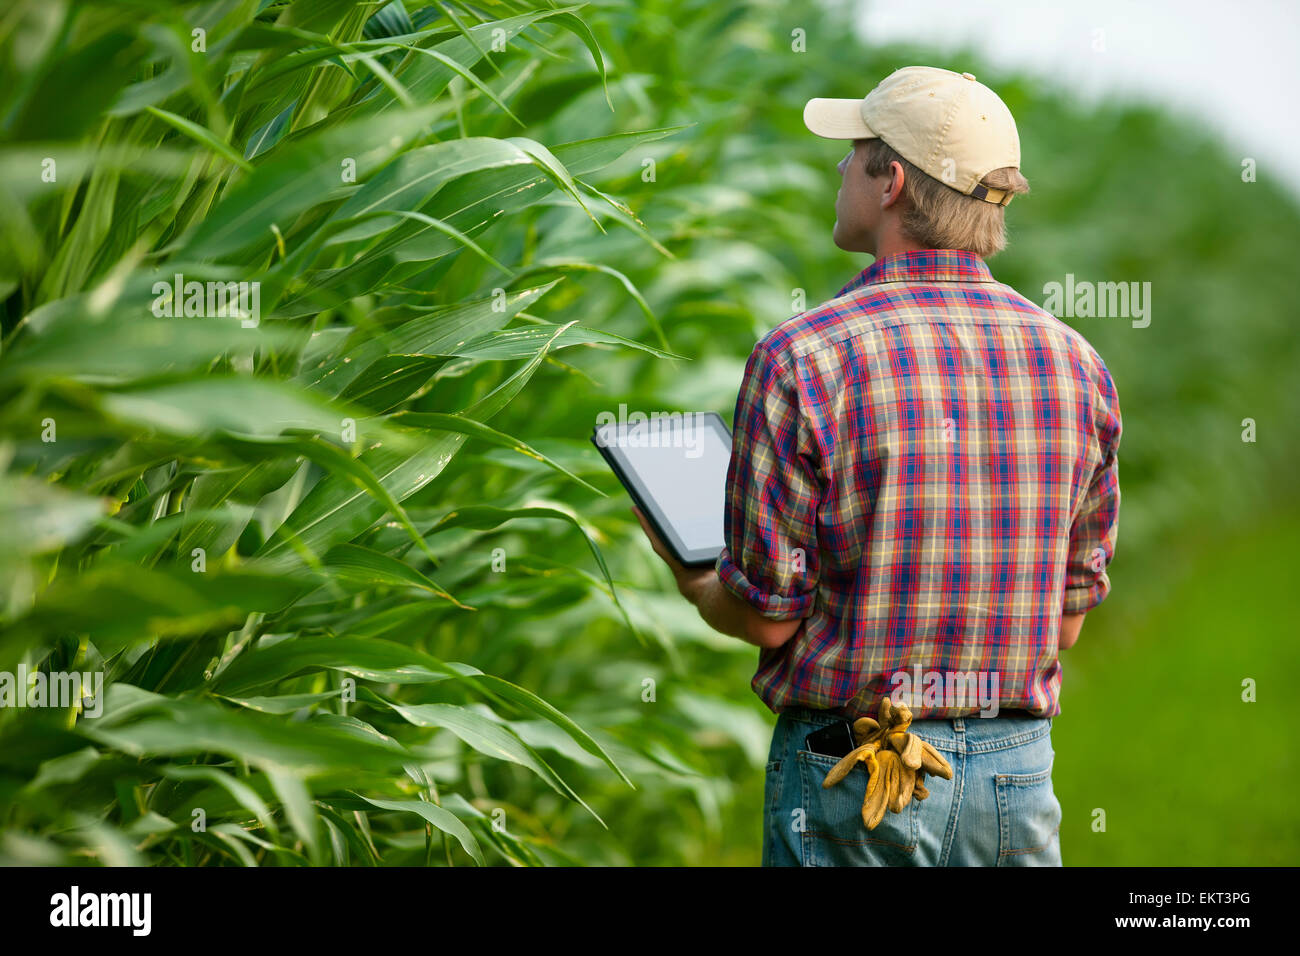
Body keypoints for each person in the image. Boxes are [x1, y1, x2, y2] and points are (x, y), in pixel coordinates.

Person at [633, 66, 1122, 866]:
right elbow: (1066, 620)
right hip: (1016, 774)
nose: (837, 168)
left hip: (855, 773)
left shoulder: (801, 358)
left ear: (891, 180)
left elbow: (766, 617)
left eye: (853, 152)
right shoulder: (1077, 365)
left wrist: (693, 575)